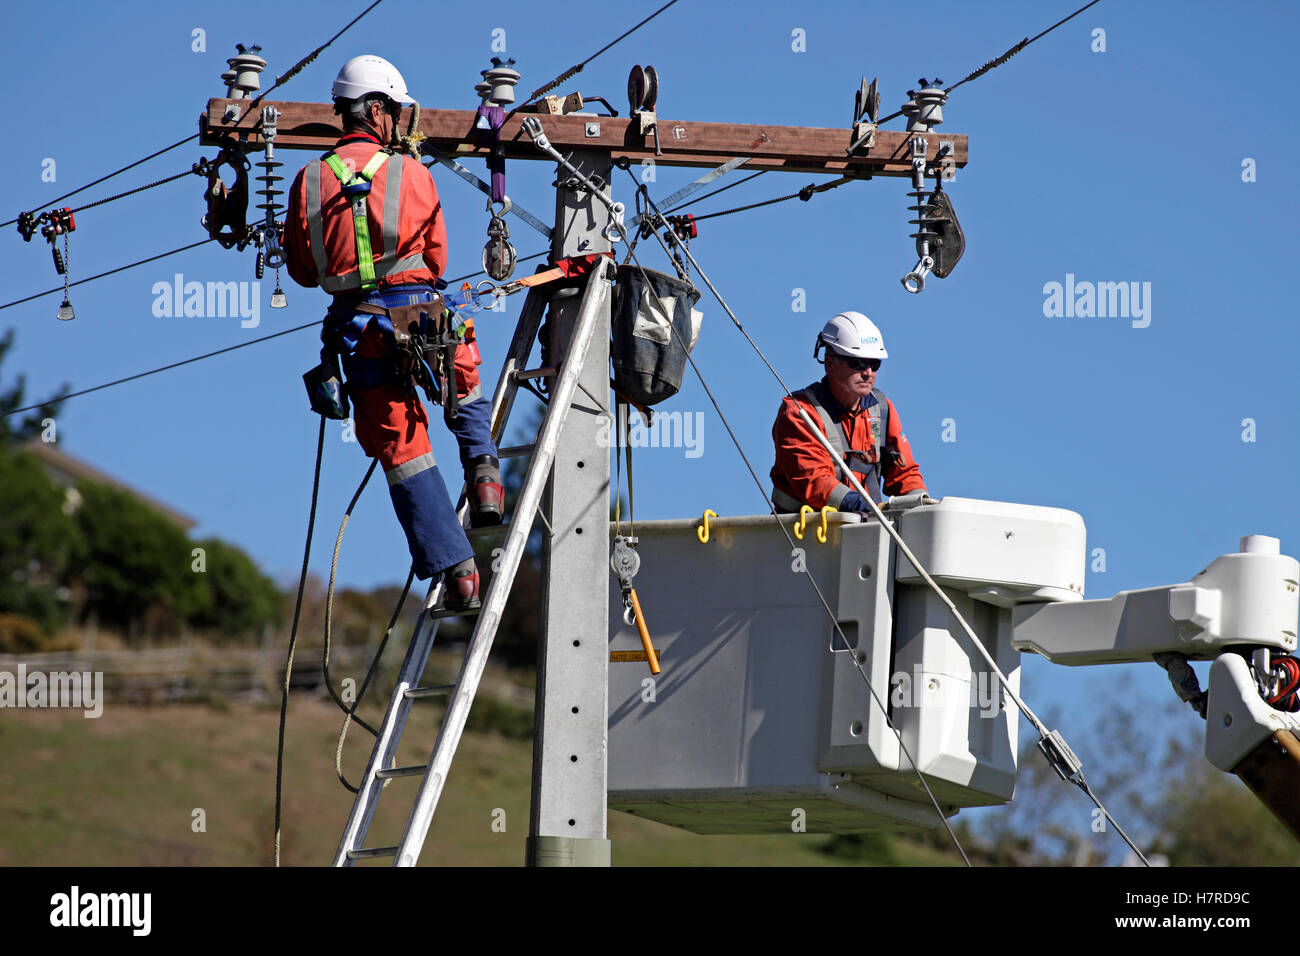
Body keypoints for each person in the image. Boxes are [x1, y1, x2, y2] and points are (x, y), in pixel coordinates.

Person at [284, 54, 502, 611]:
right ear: (378, 110)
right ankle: (485, 480)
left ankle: (458, 574)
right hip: (419, 308)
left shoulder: (307, 182)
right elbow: (438, 258)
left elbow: (304, 273)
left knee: (402, 447)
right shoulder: (414, 174)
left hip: (357, 329)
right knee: (462, 381)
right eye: (397, 112)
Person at [770, 311, 927, 514]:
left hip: (864, 530)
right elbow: (814, 482)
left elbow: (905, 473)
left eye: (874, 364)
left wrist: (923, 507)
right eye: (858, 363)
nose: (868, 372)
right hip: (807, 535)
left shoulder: (881, 409)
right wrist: (864, 507)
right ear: (830, 364)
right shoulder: (800, 412)